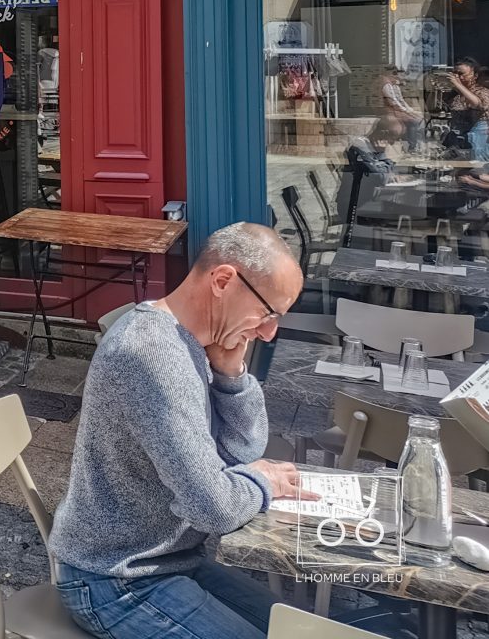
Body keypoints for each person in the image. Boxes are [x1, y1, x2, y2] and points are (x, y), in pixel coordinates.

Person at [49, 222, 312, 639]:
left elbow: (243, 451)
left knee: (304, 631)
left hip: (172, 562)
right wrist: (261, 481)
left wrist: (231, 376)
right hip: (116, 580)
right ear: (223, 280)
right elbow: (215, 508)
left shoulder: (188, 343)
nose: (268, 332)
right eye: (268, 313)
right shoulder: (151, 355)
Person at [334, 115, 404, 242]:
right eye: (392, 139)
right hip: (352, 205)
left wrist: (385, 164)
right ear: (383, 133)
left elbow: (390, 168)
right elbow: (377, 177)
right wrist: (382, 156)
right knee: (395, 217)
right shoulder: (360, 146)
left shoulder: (373, 147)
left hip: (365, 200)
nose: (393, 143)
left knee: (398, 213)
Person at [445, 58, 489, 163]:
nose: (458, 77)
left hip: (477, 137)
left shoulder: (482, 92)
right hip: (458, 137)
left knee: (476, 168)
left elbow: (478, 104)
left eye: (462, 74)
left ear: (475, 76)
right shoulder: (455, 94)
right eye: (455, 73)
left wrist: (458, 84)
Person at [380, 65, 423, 151]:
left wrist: (410, 110)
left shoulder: (394, 85)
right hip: (390, 110)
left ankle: (410, 142)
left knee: (419, 118)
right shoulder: (386, 85)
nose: (396, 76)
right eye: (394, 73)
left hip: (397, 109)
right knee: (413, 121)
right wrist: (406, 111)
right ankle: (412, 146)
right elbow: (393, 102)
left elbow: (400, 100)